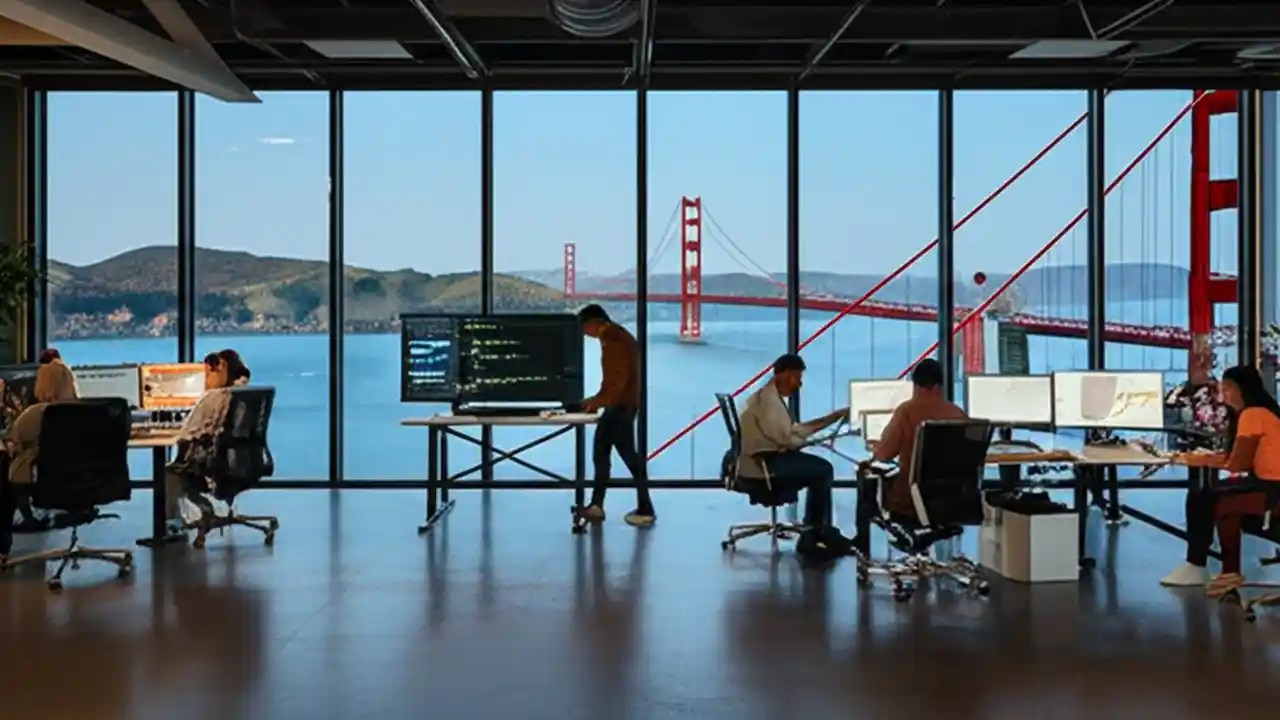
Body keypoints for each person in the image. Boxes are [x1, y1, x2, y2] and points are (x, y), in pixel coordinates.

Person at [1181, 365, 1280, 597]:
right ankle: (1224, 572)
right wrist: (1204, 459)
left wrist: (1201, 460)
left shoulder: (1253, 414)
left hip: (1273, 488)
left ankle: (1199, 565)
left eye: (1228, 388)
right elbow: (1236, 459)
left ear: (1242, 389)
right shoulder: (1260, 412)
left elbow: (1238, 463)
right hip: (1266, 483)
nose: (1223, 394)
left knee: (1210, 499)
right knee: (1212, 497)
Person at [856, 358, 966, 546]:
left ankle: (861, 548)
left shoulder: (907, 412)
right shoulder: (958, 414)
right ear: (939, 385)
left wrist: (877, 447)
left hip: (910, 502)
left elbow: (884, 455)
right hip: (951, 501)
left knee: (865, 475)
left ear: (915, 384)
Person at [737, 353, 848, 529]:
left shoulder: (766, 396)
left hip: (759, 460)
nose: (799, 384)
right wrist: (809, 440)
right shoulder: (770, 402)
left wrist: (830, 419)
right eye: (796, 377)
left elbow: (789, 431)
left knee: (818, 467)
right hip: (764, 465)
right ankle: (818, 528)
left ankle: (816, 525)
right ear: (784, 374)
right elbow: (787, 439)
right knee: (824, 470)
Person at [576, 305, 653, 527]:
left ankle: (603, 506)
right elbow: (614, 380)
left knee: (609, 454)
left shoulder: (613, 340)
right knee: (621, 455)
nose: (584, 333)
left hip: (619, 406)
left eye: (583, 327)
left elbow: (616, 380)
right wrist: (597, 399)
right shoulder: (618, 335)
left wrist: (598, 401)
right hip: (624, 404)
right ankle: (602, 505)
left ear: (592, 323)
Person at [1159, 359, 1233, 587]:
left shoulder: (1219, 395)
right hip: (1198, 455)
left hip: (1218, 458)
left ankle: (1197, 561)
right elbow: (1166, 413)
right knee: (1199, 492)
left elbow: (1219, 428)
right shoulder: (1184, 391)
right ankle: (1196, 560)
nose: (1200, 367)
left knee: (1202, 494)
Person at [1, 358, 80, 563]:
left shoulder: (36, 413)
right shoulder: (86, 412)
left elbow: (13, 440)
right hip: (84, 480)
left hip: (42, 480)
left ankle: (3, 543)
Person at [163, 350, 250, 531]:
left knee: (170, 473)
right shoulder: (243, 394)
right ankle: (203, 508)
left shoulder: (214, 397)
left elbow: (187, 434)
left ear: (221, 368)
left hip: (211, 466)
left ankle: (170, 526)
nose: (205, 380)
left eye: (208, 373)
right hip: (241, 463)